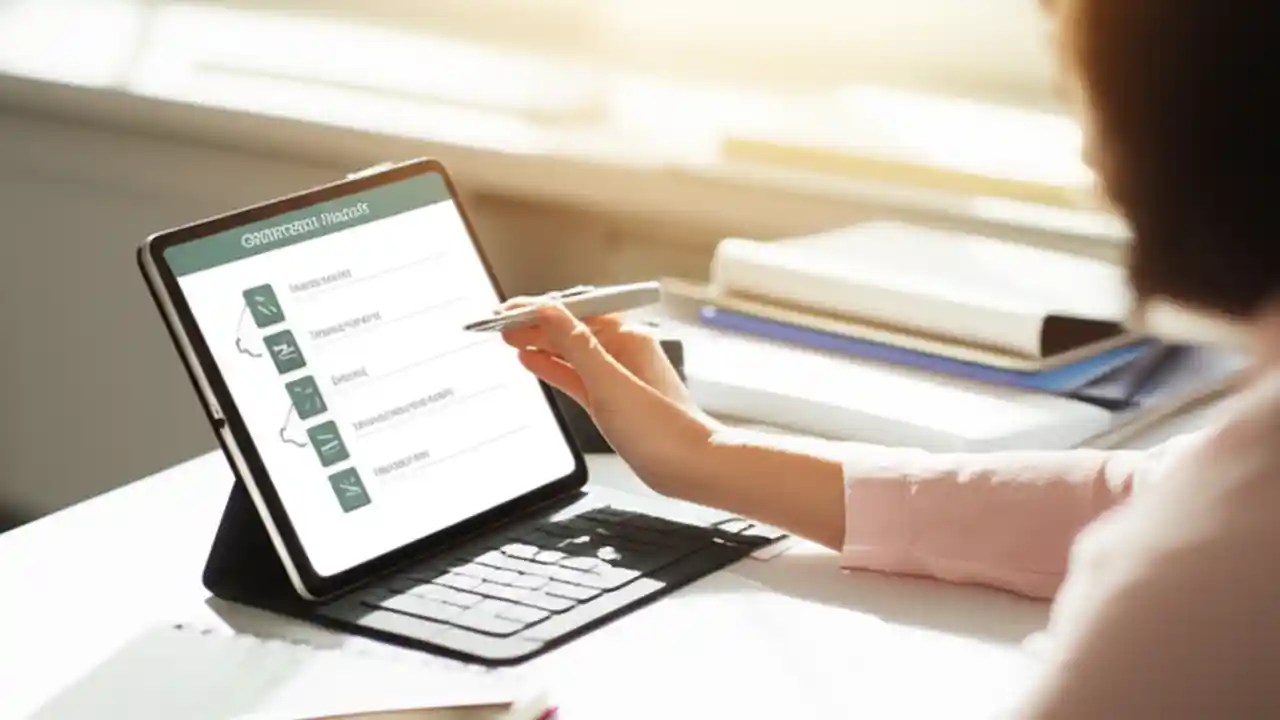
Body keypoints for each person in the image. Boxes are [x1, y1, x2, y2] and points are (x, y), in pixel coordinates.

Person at [500, 1, 1280, 717]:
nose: (1085, 149)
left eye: (1077, 76)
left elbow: (1184, 542)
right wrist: (707, 455)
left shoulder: (1227, 558)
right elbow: (1140, 493)